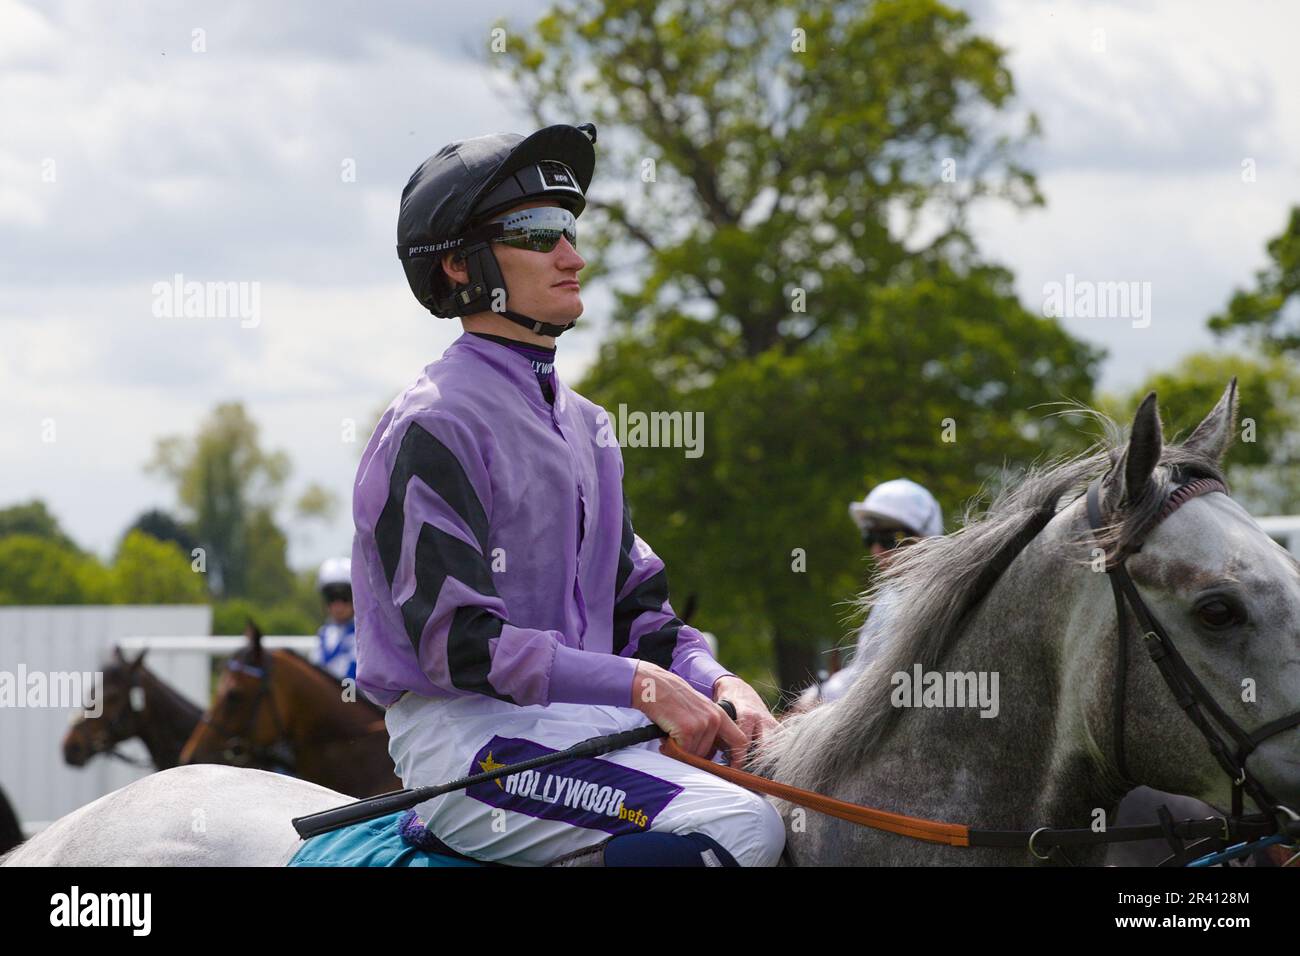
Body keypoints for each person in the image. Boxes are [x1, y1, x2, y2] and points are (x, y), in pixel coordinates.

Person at [350, 122, 784, 867]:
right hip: (468, 739)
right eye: (539, 232)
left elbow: (639, 616)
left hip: (581, 723)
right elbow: (459, 645)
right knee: (741, 829)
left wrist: (716, 679)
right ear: (459, 264)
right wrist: (645, 688)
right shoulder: (435, 421)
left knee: (795, 797)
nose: (572, 255)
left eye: (570, 229)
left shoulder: (590, 426)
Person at [799, 478, 943, 707]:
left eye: (889, 538)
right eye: (870, 537)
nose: (876, 550)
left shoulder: (931, 598)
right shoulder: (893, 592)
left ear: (923, 537)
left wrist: (818, 697)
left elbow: (873, 683)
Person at [315, 557, 357, 682]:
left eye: (345, 597)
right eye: (331, 597)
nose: (338, 606)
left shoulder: (365, 636)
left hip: (352, 698)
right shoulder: (323, 633)